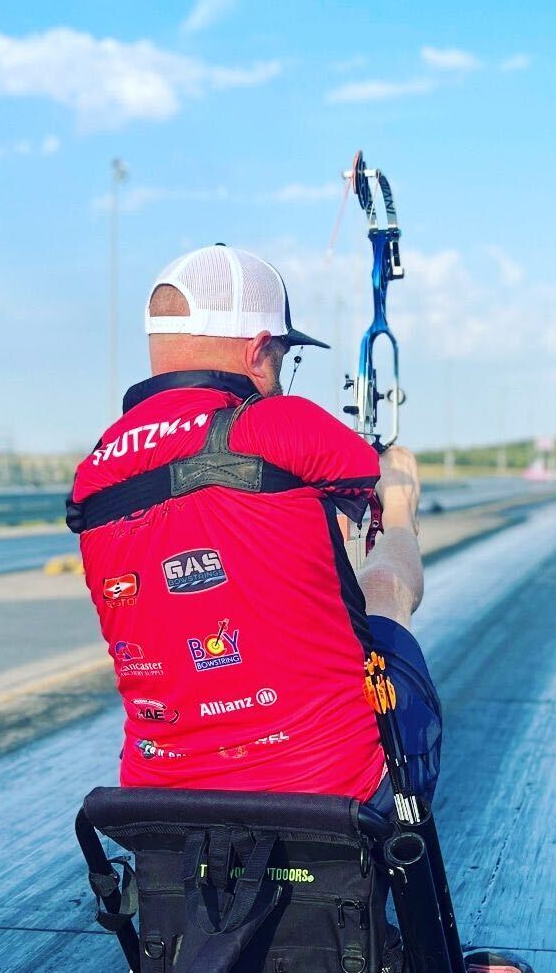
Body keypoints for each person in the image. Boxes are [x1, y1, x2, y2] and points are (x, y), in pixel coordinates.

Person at [67, 243, 441, 814]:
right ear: (258, 349)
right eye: (283, 358)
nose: (281, 378)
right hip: (330, 789)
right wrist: (399, 491)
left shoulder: (93, 471)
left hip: (154, 796)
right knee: (387, 586)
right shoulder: (283, 422)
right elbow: (364, 490)